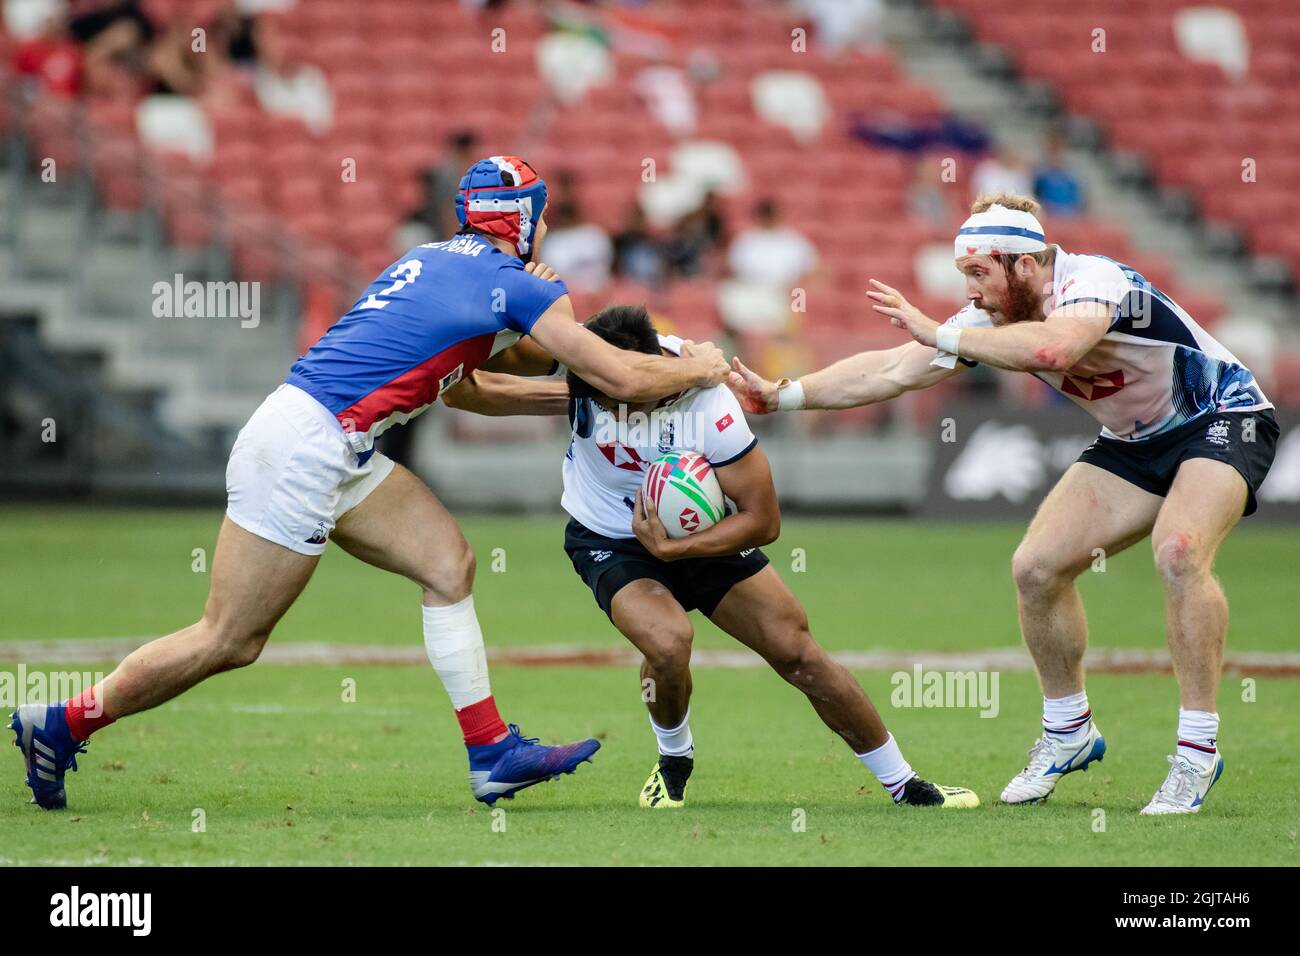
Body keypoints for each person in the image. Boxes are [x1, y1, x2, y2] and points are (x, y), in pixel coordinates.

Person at [11, 156, 730, 811]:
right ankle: (62, 722)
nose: (545, 226)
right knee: (229, 638)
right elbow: (616, 372)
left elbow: (464, 389)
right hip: (304, 448)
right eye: (539, 213)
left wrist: (560, 383)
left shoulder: (434, 260)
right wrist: (704, 369)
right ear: (522, 219)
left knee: (448, 565)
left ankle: (491, 752)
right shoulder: (510, 282)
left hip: (330, 441)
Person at [728, 194, 1278, 815]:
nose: (973, 292)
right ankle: (1069, 731)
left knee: (1179, 552)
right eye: (966, 276)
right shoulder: (990, 317)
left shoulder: (1094, 280)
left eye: (979, 273)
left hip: (1225, 417)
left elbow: (1055, 351)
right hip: (1133, 440)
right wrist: (786, 395)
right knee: (1036, 570)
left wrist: (940, 332)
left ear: (1025, 265)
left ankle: (1196, 751)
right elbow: (892, 371)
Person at [555, 305, 979, 809]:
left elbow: (763, 521)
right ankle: (675, 759)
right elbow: (503, 383)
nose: (608, 409)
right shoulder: (588, 370)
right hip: (609, 536)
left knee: (798, 652)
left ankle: (904, 784)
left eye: (616, 397)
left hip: (703, 532)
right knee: (667, 644)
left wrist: (675, 548)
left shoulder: (709, 404)